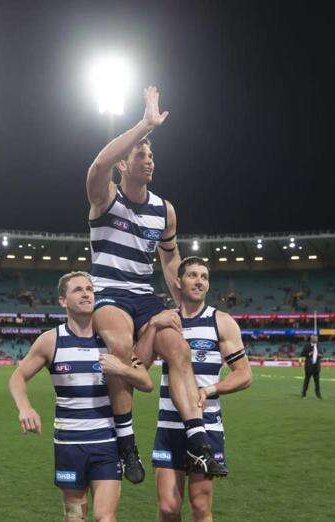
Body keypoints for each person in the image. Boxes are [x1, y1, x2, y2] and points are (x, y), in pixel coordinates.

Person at [85, 85, 222, 480]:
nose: (148, 159)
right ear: (123, 166)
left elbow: (170, 256)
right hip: (109, 292)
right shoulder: (105, 197)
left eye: (151, 154)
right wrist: (143, 125)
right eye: (140, 154)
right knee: (120, 343)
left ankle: (197, 439)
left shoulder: (165, 210)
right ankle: (126, 444)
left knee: (178, 349)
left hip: (145, 296)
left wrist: (178, 301)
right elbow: (97, 165)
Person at [8, 271, 153, 521]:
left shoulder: (113, 340)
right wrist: (25, 408)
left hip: (106, 443)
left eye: (89, 289)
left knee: (104, 518)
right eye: (78, 290)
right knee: (75, 516)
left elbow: (147, 383)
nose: (87, 294)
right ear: (63, 301)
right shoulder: (51, 341)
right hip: (68, 444)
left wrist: (120, 368)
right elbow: (17, 377)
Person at [135, 257, 252, 521]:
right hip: (169, 425)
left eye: (204, 277)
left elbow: (244, 374)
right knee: (167, 508)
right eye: (193, 275)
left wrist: (208, 390)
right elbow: (139, 365)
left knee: (200, 507)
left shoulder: (220, 322)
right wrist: (153, 325)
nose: (199, 281)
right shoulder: (165, 320)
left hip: (206, 423)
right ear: (179, 281)